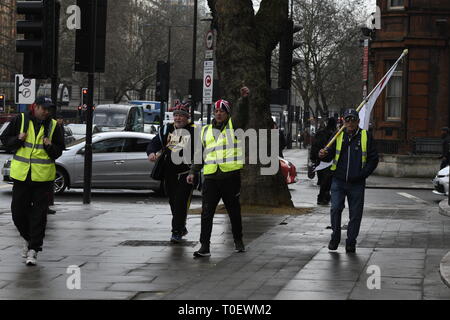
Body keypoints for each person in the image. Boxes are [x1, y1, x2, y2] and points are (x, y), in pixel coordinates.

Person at [0, 96, 65, 266]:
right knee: (17, 213)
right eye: (43, 108)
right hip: (22, 176)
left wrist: (50, 146)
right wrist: (18, 139)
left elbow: (59, 151)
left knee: (39, 215)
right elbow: (5, 141)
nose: (46, 112)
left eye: (48, 109)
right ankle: (29, 240)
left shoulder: (53, 126)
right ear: (34, 107)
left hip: (43, 178)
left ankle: (34, 250)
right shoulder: (19, 120)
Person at [187, 87, 249, 257]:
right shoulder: (206, 130)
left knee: (234, 212)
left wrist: (243, 100)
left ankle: (238, 240)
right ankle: (204, 246)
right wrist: (193, 171)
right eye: (216, 110)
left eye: (222, 111)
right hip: (211, 178)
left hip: (230, 177)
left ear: (228, 114)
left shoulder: (234, 126)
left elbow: (242, 115)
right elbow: (200, 154)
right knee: (206, 213)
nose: (218, 113)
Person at [318, 109, 378, 253]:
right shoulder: (338, 135)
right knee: (335, 209)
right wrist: (322, 155)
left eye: (353, 120)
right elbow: (328, 155)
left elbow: (373, 159)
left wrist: (362, 174)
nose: (350, 122)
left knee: (355, 213)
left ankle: (351, 241)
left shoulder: (365, 136)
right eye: (347, 120)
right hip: (338, 180)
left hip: (357, 182)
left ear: (358, 121)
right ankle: (335, 238)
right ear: (343, 122)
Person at [147, 102, 196, 243]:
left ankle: (176, 231)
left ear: (187, 117)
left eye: (181, 115)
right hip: (169, 174)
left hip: (186, 173)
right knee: (173, 202)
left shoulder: (194, 130)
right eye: (176, 115)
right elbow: (154, 142)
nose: (178, 118)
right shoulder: (166, 129)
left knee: (181, 202)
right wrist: (151, 152)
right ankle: (181, 226)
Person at [310, 117, 337, 205]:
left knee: (322, 181)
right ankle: (324, 196)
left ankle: (323, 197)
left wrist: (313, 158)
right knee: (327, 181)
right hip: (329, 161)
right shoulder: (335, 134)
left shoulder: (320, 133)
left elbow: (314, 146)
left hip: (320, 160)